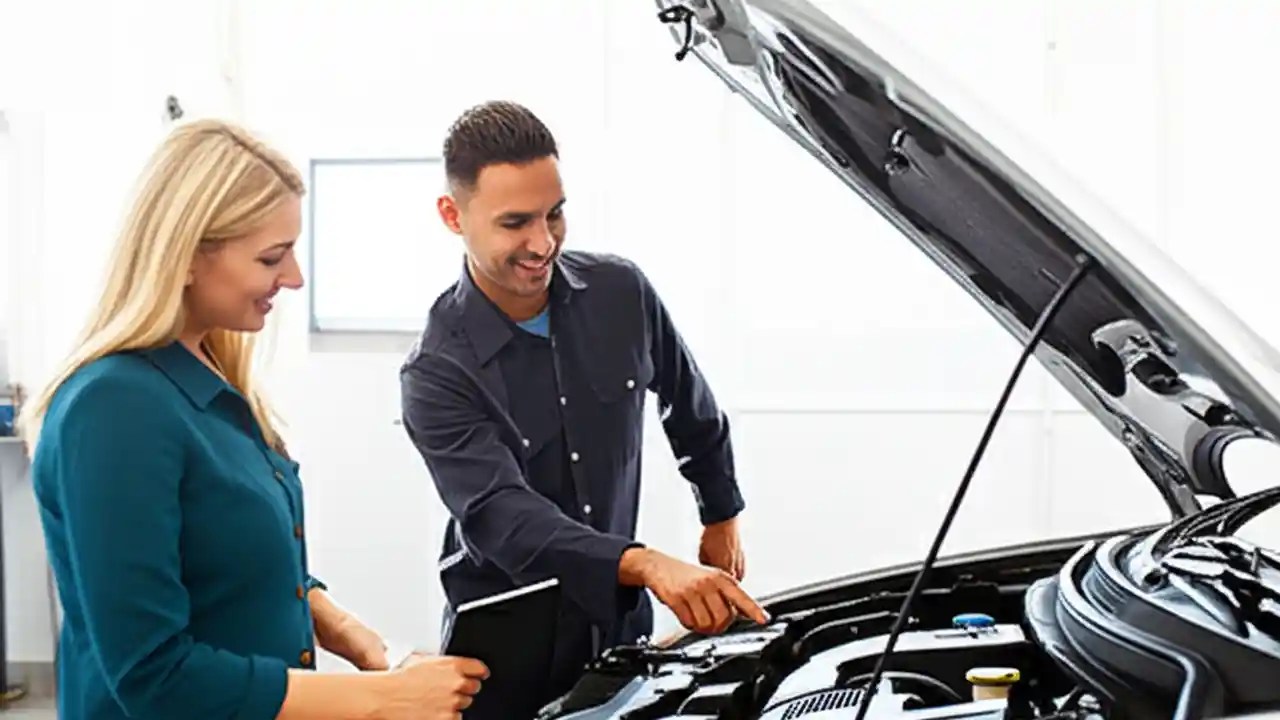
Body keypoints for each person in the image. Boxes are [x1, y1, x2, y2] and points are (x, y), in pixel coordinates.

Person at [17, 119, 488, 720]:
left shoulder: (210, 381)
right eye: (272, 256)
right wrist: (382, 699)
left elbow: (225, 563)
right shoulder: (113, 409)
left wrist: (350, 633)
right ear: (185, 256)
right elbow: (154, 675)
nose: (293, 278)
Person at [398, 100, 769, 713]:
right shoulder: (436, 371)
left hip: (620, 631)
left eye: (556, 213)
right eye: (516, 222)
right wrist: (645, 563)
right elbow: (506, 520)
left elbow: (689, 402)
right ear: (452, 215)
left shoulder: (622, 293)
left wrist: (720, 510)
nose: (543, 242)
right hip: (503, 661)